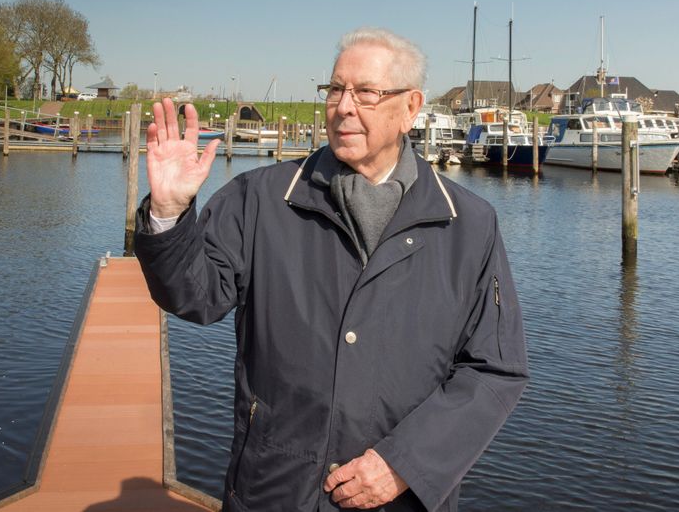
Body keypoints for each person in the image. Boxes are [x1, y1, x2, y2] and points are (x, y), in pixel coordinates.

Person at [134, 28, 529, 511]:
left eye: (366, 92)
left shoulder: (468, 224)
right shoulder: (260, 198)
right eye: (335, 89)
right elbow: (194, 296)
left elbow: (494, 369)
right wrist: (169, 214)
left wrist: (406, 463)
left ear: (411, 108)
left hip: (398, 501)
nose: (344, 106)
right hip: (275, 489)